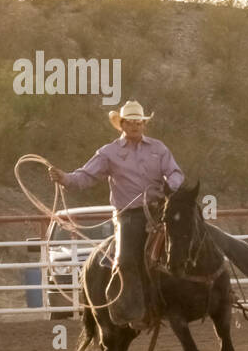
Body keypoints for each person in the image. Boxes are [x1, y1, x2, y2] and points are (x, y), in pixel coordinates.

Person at [48, 101, 184, 329]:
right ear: (121, 124)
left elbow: (175, 172)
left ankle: (197, 295)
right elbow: (85, 176)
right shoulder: (108, 153)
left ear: (144, 124)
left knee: (187, 240)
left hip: (159, 209)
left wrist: (173, 184)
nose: (134, 126)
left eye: (138, 122)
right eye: (130, 122)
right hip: (128, 215)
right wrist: (65, 178)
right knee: (127, 258)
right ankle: (132, 308)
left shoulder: (159, 148)